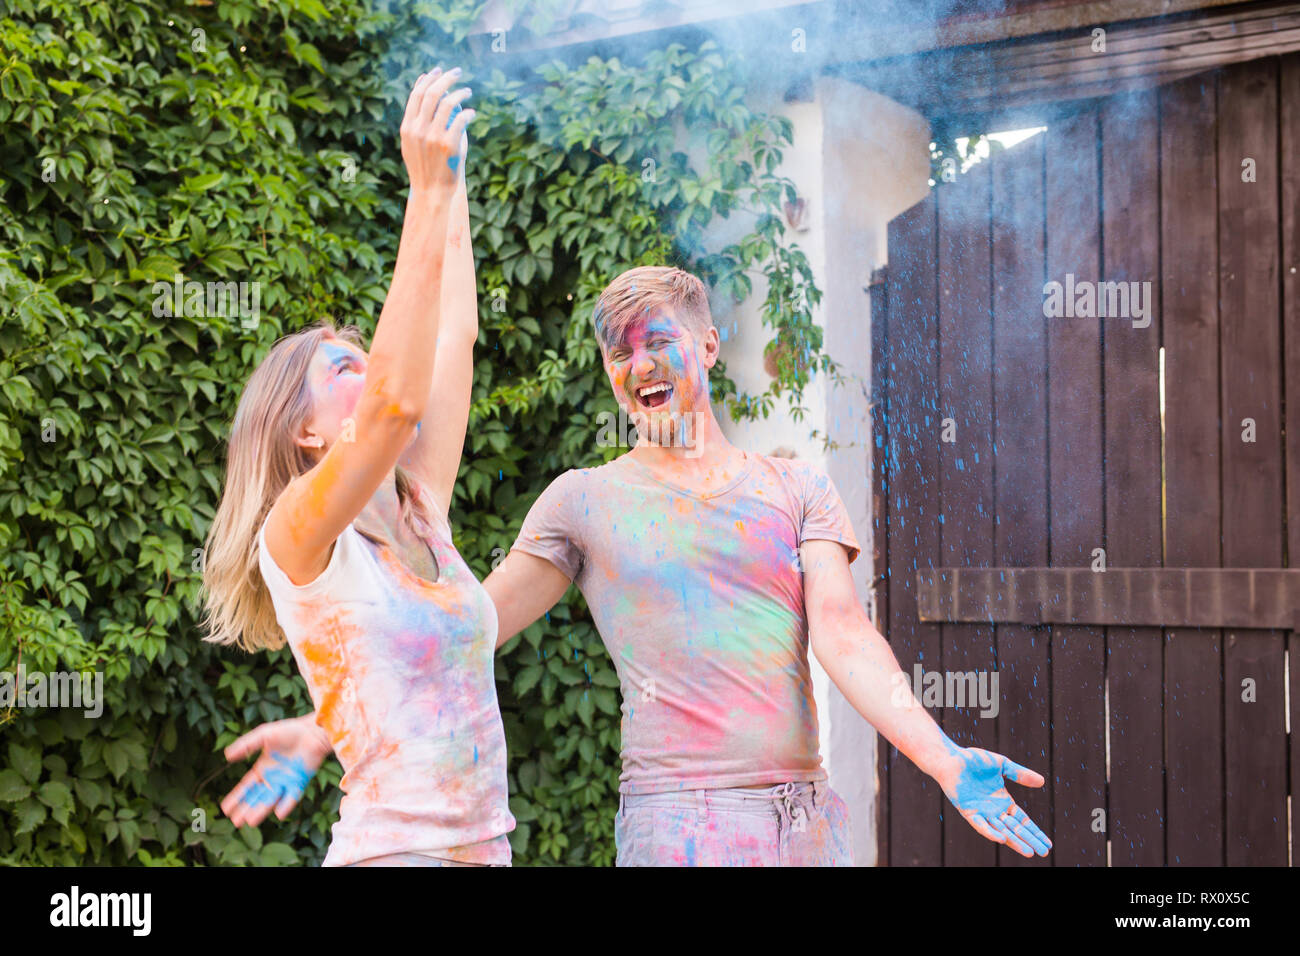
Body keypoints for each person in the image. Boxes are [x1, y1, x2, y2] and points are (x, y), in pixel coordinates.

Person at [222, 266, 1052, 866]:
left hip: (805, 824)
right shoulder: (581, 502)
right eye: (621, 355)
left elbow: (844, 637)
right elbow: (460, 634)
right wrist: (330, 724)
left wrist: (944, 758)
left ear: (710, 345)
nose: (640, 366)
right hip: (672, 830)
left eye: (659, 342)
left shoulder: (796, 488)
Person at [200, 68, 512, 867]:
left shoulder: (420, 508)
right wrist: (420, 194)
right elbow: (395, 405)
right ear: (303, 431)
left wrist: (450, 177)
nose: (371, 369)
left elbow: (452, 337)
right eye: (344, 367)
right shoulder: (295, 536)